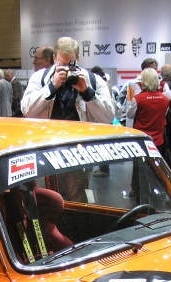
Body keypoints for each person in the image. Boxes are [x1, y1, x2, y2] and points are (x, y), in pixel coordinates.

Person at [21, 37, 114, 199]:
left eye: (70, 64)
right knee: (46, 200)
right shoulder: (40, 79)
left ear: (77, 59)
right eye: (61, 64)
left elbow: (108, 116)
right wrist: (52, 87)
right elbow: (27, 110)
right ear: (54, 58)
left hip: (78, 154)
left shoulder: (93, 80)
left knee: (76, 199)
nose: (65, 69)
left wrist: (87, 92)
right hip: (46, 151)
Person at [125, 68, 169, 161]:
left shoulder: (138, 99)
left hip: (141, 139)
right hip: (158, 140)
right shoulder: (165, 99)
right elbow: (164, 115)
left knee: (140, 168)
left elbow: (129, 115)